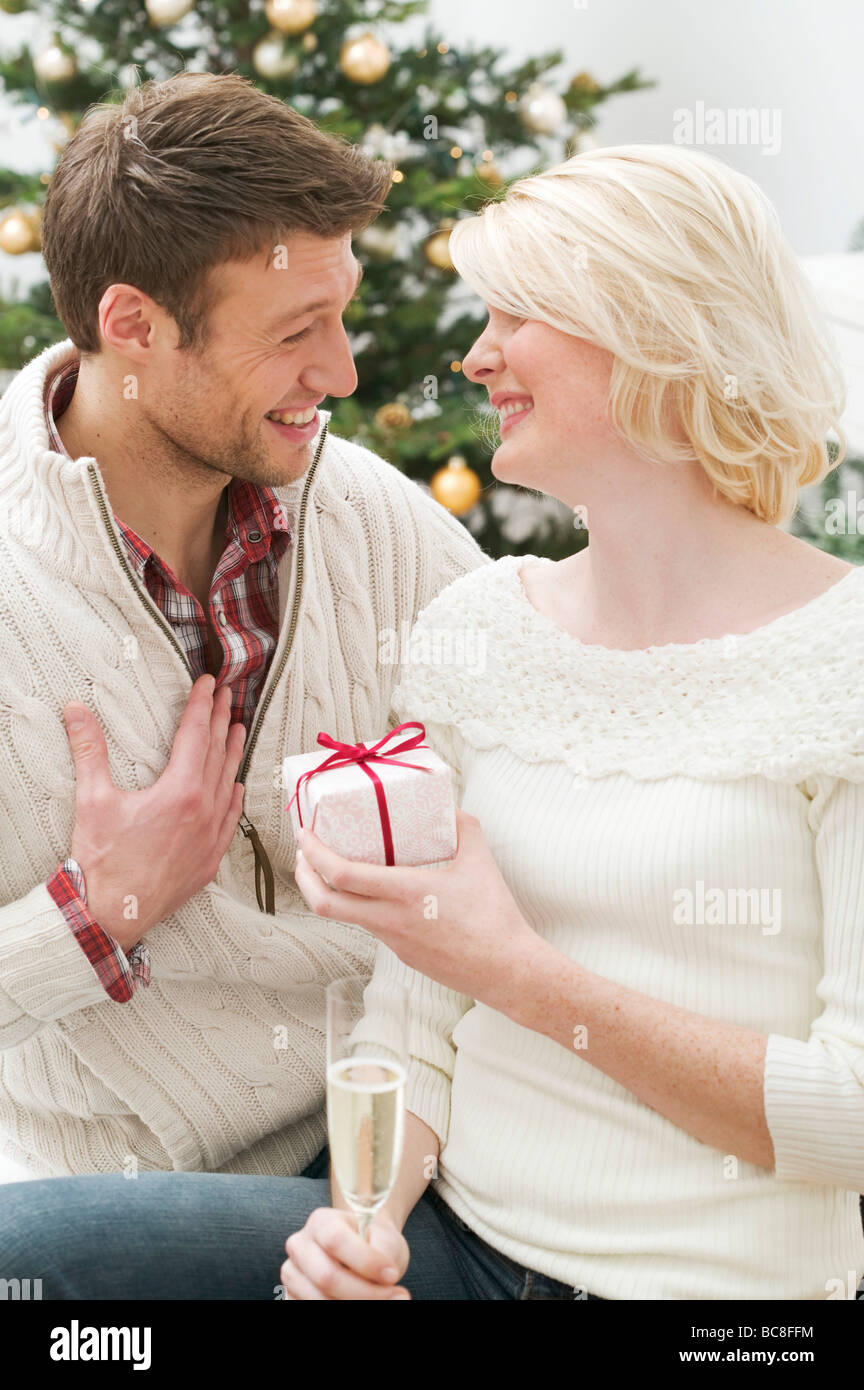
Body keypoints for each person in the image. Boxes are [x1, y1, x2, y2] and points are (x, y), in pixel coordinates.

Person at [3, 145, 863, 1302]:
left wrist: (517, 972)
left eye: (521, 314)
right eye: (298, 327)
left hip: (717, 1297)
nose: (461, 357)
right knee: (32, 1268)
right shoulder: (486, 627)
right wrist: (360, 1228)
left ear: (659, 330)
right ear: (135, 325)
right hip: (437, 1235)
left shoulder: (831, 662)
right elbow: (415, 1011)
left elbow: (845, 1117)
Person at [0, 70, 486, 1189]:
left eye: (345, 311)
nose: (345, 372)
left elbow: (550, 734)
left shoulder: (364, 513)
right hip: (120, 1196)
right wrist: (95, 913)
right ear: (134, 325)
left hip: (415, 1135)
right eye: (297, 330)